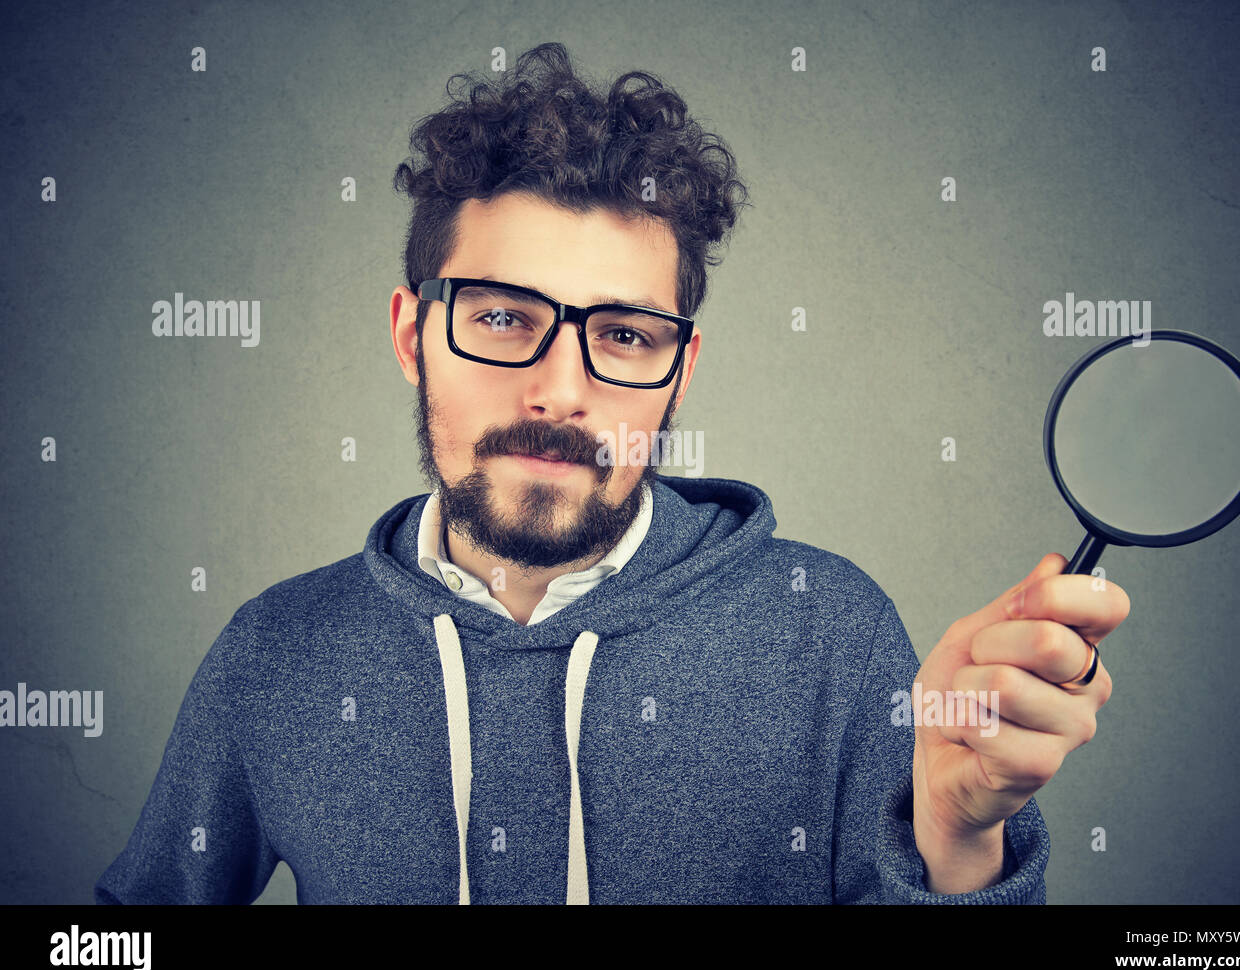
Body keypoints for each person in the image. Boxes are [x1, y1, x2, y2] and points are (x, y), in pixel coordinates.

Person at [94, 42, 1123, 905]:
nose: (559, 389)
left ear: (679, 370)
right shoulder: (275, 650)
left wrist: (954, 838)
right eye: (503, 316)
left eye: (624, 334)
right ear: (414, 333)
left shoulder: (834, 633)